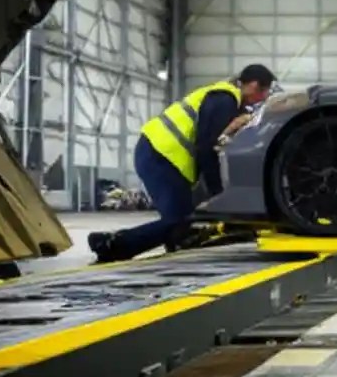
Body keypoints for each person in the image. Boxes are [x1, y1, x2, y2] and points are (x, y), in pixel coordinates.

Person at [88, 64, 277, 262]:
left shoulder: (225, 99)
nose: (263, 98)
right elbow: (207, 147)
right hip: (160, 154)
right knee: (179, 219)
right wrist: (219, 192)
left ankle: (169, 247)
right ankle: (113, 244)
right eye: (264, 92)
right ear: (254, 85)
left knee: (182, 224)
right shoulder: (224, 99)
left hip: (162, 155)